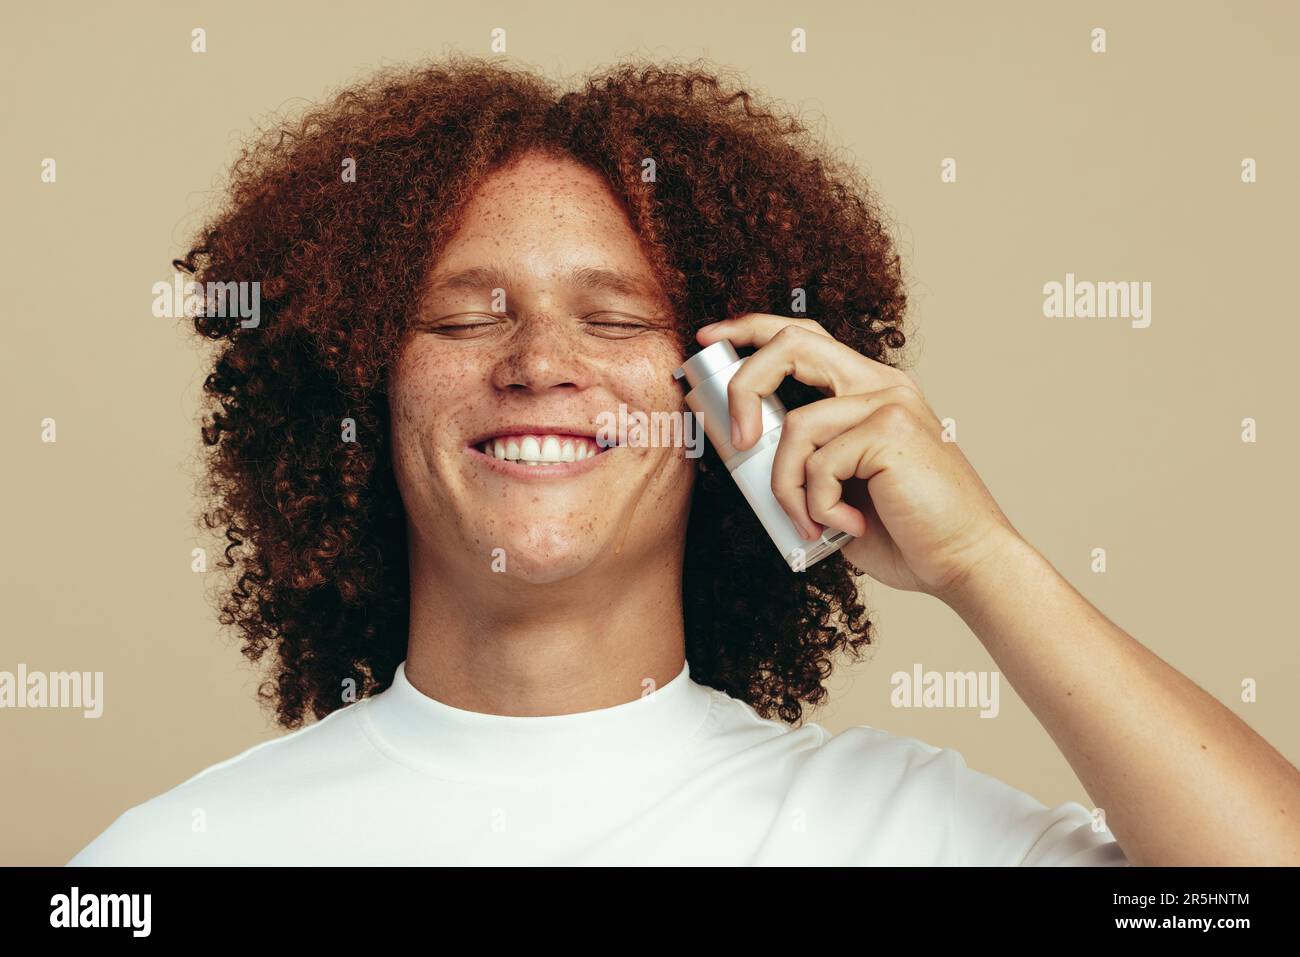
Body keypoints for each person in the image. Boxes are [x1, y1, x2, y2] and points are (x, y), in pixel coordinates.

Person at [68, 55, 1300, 866]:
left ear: (735, 403)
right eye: (462, 317)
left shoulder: (894, 834)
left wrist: (983, 560)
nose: (540, 361)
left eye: (615, 320)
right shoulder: (175, 856)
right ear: (358, 387)